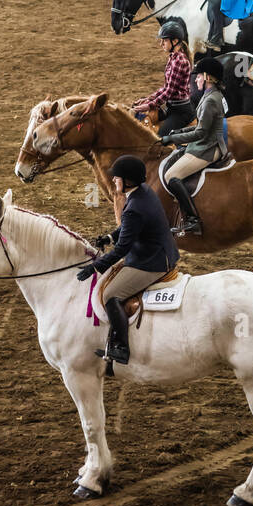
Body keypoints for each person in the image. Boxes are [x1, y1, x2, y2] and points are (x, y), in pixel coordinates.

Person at [76, 155, 178, 365]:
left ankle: (121, 347)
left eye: (117, 178)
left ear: (128, 181)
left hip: (152, 262)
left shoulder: (134, 207)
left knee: (111, 295)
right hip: (160, 251)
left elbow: (123, 248)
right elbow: (128, 228)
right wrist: (110, 237)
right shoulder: (143, 192)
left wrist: (95, 267)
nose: (114, 180)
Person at [158, 57, 229, 235]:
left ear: (208, 78)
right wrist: (178, 132)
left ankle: (192, 220)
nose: (195, 79)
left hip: (208, 147)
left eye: (198, 77)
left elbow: (201, 133)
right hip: (205, 142)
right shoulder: (211, 95)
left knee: (171, 175)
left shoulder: (211, 100)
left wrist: (171, 139)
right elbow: (200, 127)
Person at [132, 21, 194, 138]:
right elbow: (166, 88)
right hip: (171, 107)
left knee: (161, 137)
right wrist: (148, 99)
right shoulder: (173, 57)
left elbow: (169, 91)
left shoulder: (179, 61)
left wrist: (149, 105)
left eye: (164, 40)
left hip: (181, 111)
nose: (161, 44)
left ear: (175, 41)